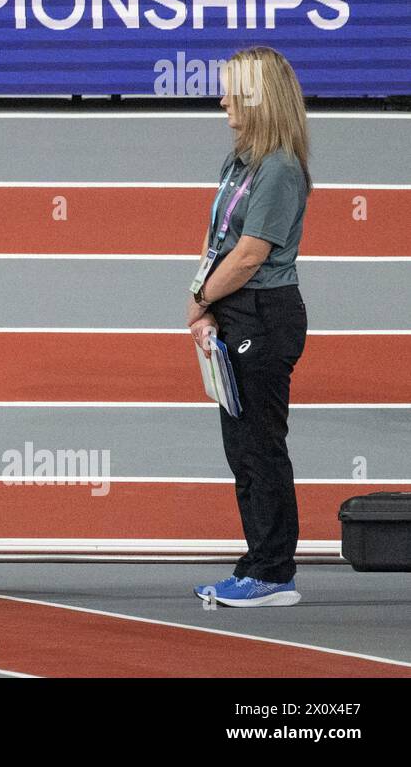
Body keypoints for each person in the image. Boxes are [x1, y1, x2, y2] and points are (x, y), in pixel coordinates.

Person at [188, 47, 311, 607]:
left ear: (259, 97)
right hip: (236, 309)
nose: (221, 99)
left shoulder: (280, 167)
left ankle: (273, 572)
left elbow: (249, 255)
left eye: (231, 90)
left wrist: (198, 297)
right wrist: (207, 301)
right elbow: (220, 242)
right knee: (244, 450)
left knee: (260, 448)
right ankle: (259, 563)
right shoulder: (241, 162)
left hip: (262, 313)